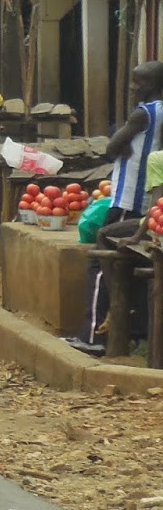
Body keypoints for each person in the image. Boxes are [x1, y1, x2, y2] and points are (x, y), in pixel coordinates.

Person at [76, 61, 163, 351]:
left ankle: (94, 335)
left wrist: (119, 145)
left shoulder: (143, 114)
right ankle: (133, 331)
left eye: (137, 83)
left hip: (130, 199)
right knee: (135, 270)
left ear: (152, 85)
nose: (132, 87)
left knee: (102, 261)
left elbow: (110, 148)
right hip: (149, 208)